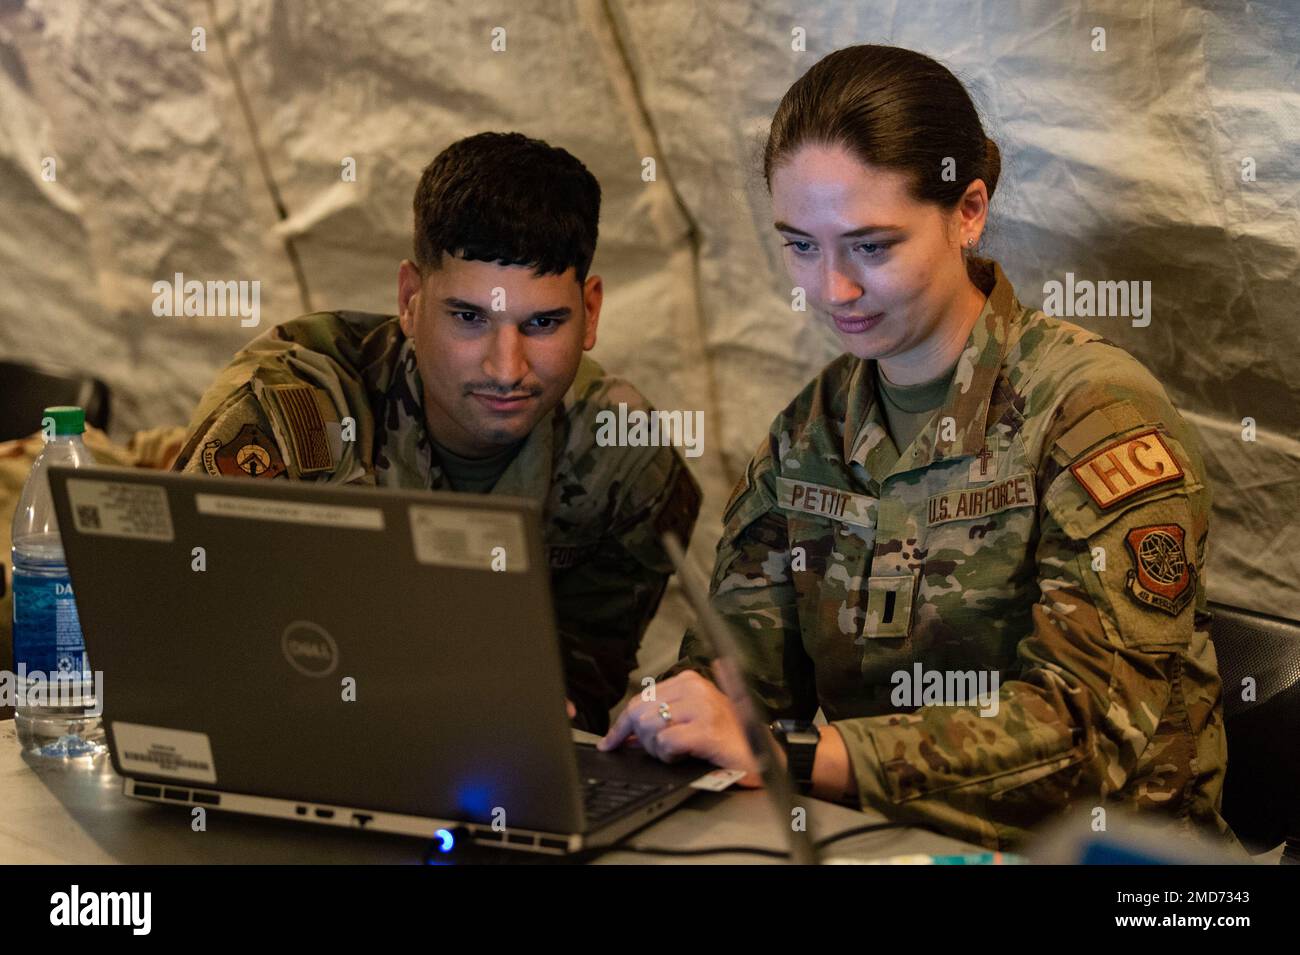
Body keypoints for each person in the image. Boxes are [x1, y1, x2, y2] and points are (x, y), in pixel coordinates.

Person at [600, 45, 1239, 852]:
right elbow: (741, 673)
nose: (832, 288)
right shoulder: (812, 433)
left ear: (967, 211)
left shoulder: (1093, 414)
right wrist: (682, 712)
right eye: (801, 244)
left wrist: (814, 753)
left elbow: (1088, 739)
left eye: (871, 245)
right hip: (883, 844)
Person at [172, 131, 701, 734]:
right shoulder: (293, 415)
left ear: (591, 312)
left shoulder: (621, 458)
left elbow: (580, 680)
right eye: (469, 318)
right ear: (410, 300)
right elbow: (184, 639)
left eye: (543, 322)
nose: (507, 368)